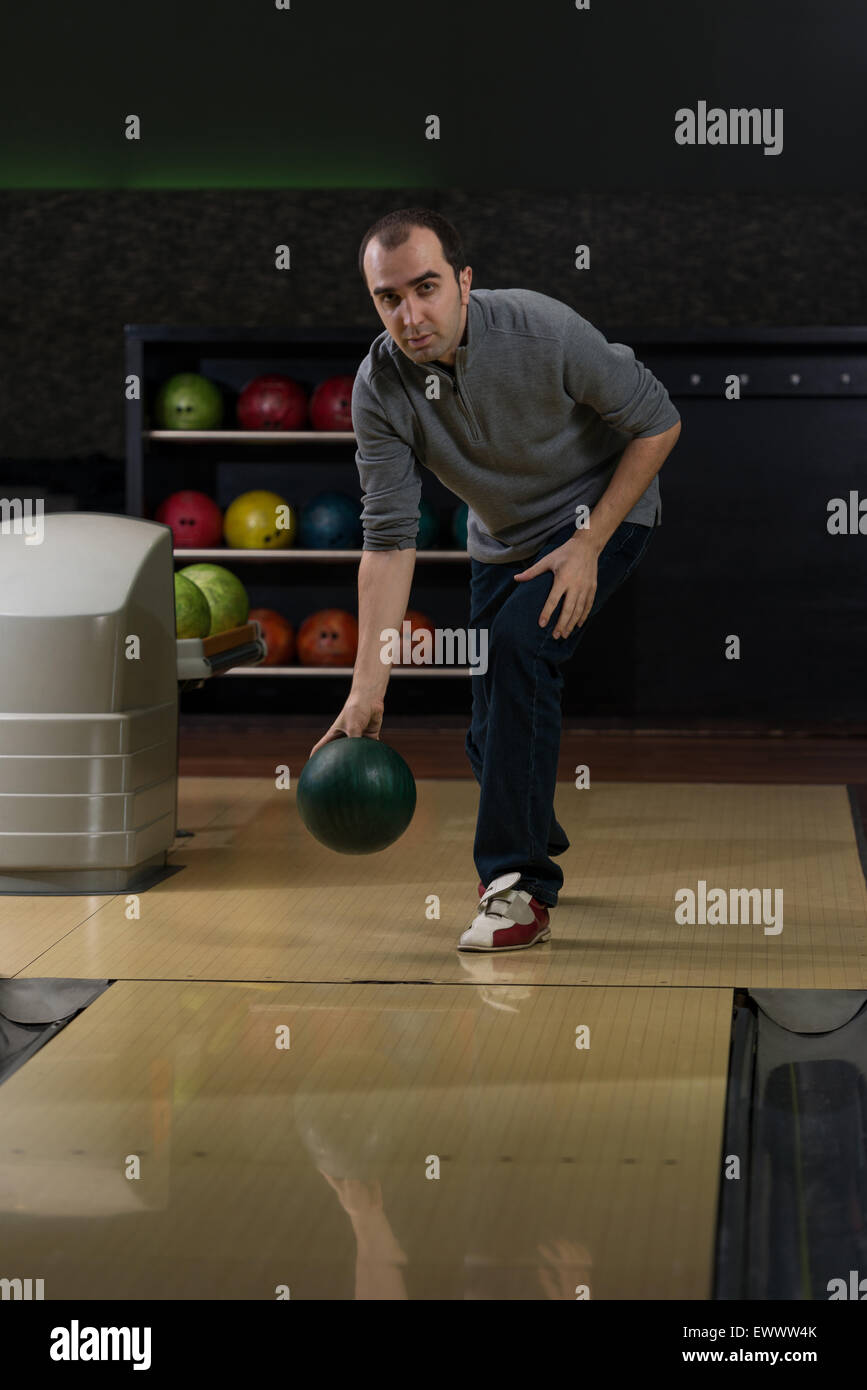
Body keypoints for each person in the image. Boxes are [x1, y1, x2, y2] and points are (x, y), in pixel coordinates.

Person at [311, 208, 682, 951]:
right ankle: (528, 808)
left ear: (463, 282)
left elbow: (657, 421)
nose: (410, 316)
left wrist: (586, 542)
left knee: (518, 651)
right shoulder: (379, 387)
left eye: (426, 288)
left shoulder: (543, 330)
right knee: (488, 735)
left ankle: (516, 886)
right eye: (389, 298)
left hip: (601, 516)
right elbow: (387, 544)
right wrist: (365, 690)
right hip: (503, 540)